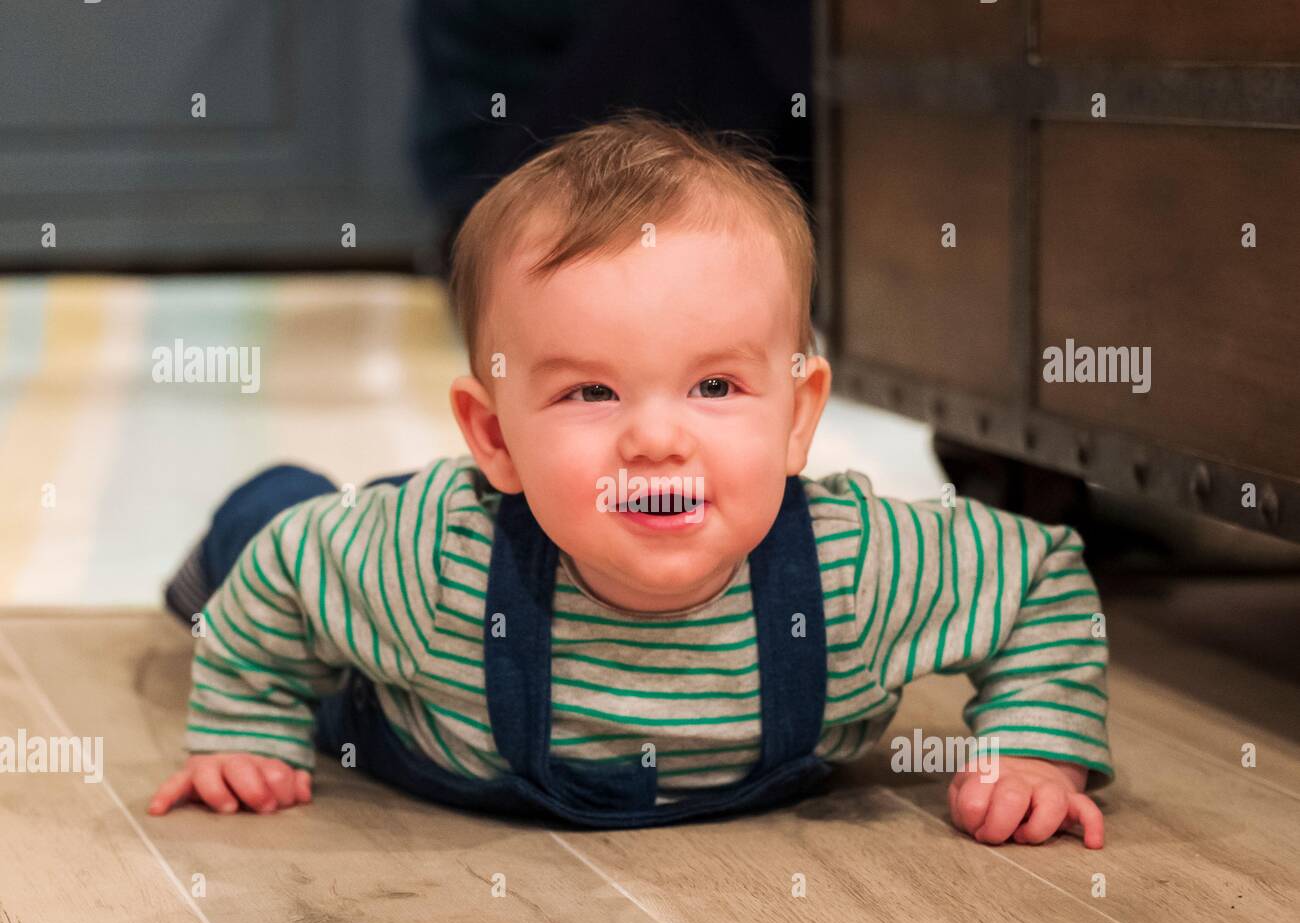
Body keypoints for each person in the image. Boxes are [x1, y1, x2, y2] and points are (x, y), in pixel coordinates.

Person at [150, 112, 1108, 845]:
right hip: (400, 679)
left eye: (717, 386)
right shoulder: (426, 567)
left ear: (799, 416)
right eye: (592, 392)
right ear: (494, 433)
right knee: (281, 521)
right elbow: (284, 573)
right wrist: (248, 730)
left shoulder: (860, 568)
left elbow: (1040, 579)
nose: (656, 439)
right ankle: (250, 504)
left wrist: (1030, 746)